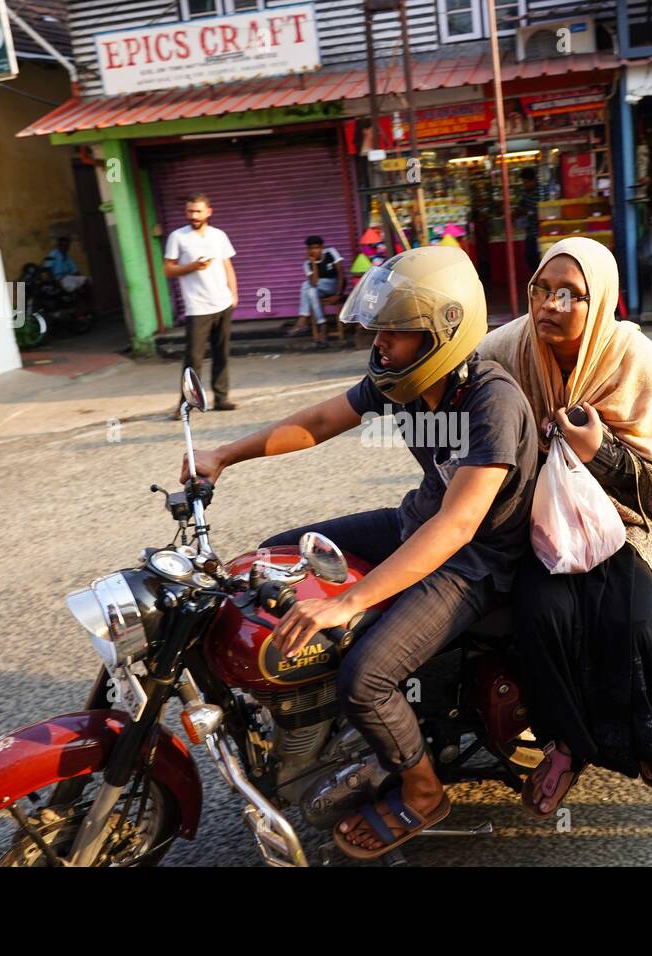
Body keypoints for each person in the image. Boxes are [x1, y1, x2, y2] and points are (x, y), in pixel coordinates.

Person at [179, 246, 538, 860]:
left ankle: (424, 794)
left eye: (396, 333)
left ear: (443, 334)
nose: (380, 346)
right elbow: (320, 420)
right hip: (413, 522)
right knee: (273, 554)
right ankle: (295, 719)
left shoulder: (490, 401)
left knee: (366, 675)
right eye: (378, 331)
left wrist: (346, 603)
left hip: (478, 561)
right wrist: (222, 455)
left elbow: (458, 526)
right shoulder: (403, 380)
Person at [476, 236, 652, 816]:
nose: (550, 304)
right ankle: (565, 745)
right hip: (535, 518)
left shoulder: (633, 360)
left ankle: (650, 739)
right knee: (539, 613)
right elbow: (462, 399)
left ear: (600, 303)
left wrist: (599, 452)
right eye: (542, 289)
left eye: (570, 295)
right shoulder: (506, 350)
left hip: (622, 518)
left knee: (634, 616)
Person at [164, 194, 239, 414]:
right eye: (190, 211)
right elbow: (168, 269)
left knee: (221, 353)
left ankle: (221, 398)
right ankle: (185, 405)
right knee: (193, 359)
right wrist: (193, 267)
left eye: (197, 211)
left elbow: (227, 266)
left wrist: (233, 293)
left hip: (222, 302)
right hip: (197, 307)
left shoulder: (219, 236)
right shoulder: (178, 237)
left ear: (208, 212)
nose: (193, 216)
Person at [288, 236, 345, 348]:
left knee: (305, 285)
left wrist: (339, 294)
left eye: (317, 248)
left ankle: (303, 318)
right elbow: (314, 283)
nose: (314, 251)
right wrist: (313, 263)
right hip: (319, 289)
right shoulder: (307, 263)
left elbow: (341, 273)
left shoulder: (331, 252)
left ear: (322, 247)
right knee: (311, 291)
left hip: (332, 285)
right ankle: (322, 325)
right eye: (311, 249)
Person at [516, 167, 541, 274]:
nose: (524, 184)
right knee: (528, 256)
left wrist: (527, 211)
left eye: (526, 182)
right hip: (530, 230)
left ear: (533, 180)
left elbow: (541, 211)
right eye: (523, 182)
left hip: (540, 232)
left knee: (537, 257)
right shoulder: (525, 193)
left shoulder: (541, 192)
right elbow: (521, 206)